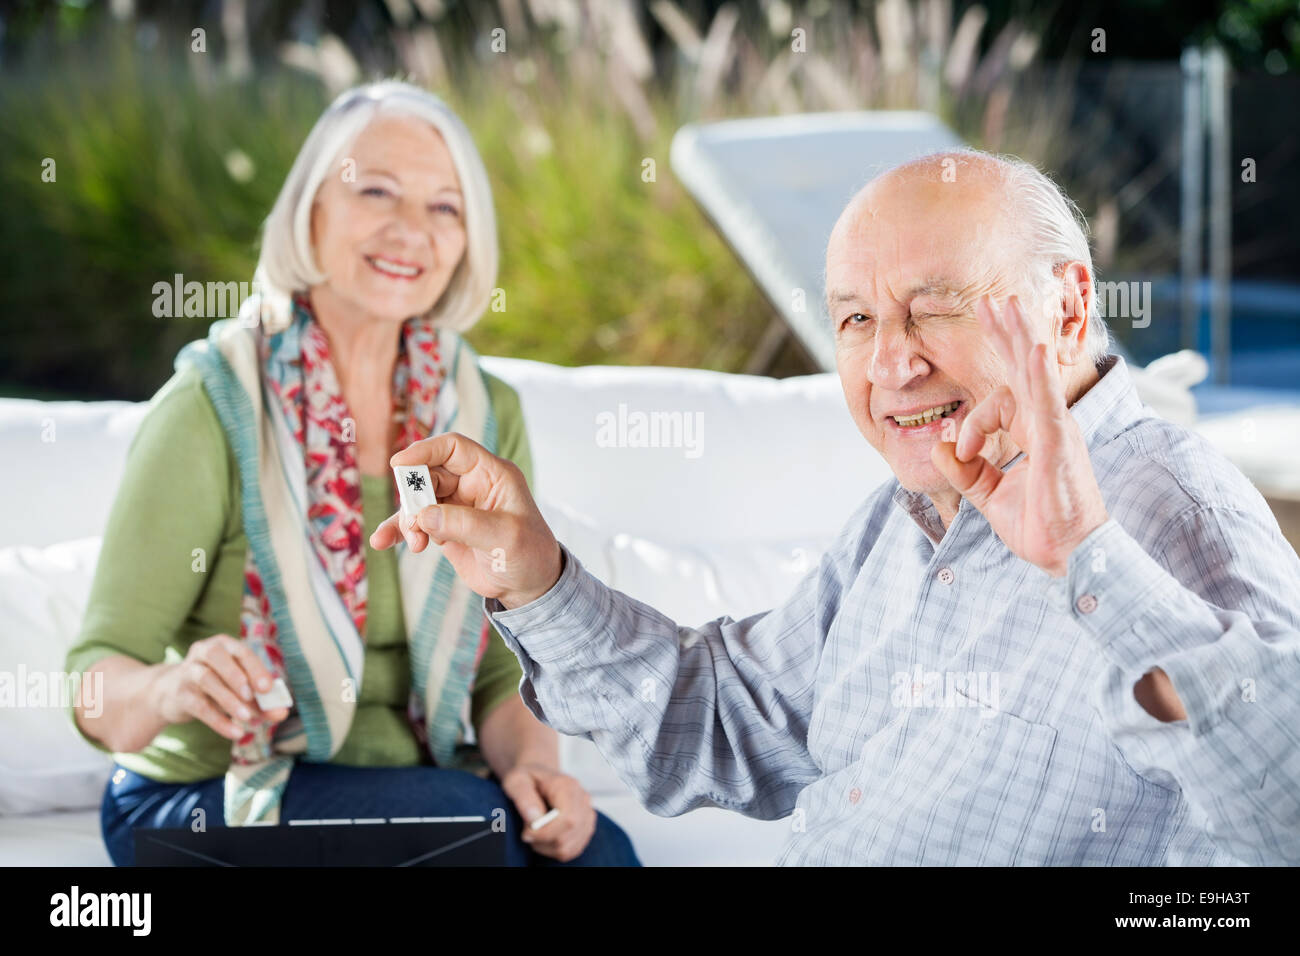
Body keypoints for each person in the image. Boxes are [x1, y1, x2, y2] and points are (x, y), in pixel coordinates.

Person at [371, 149, 1300, 866]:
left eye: (937, 306)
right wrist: (534, 578)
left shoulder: (1182, 513)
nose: (892, 363)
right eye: (856, 319)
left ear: (1066, 309)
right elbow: (733, 723)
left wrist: (1087, 559)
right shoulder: (905, 516)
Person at [66, 80, 639, 867]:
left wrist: (540, 775)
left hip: (422, 796)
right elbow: (94, 681)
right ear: (311, 212)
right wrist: (168, 690)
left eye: (445, 207)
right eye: (376, 191)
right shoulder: (212, 404)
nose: (412, 230)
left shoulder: (480, 411)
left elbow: (506, 667)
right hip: (211, 797)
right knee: (474, 838)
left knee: (592, 854)